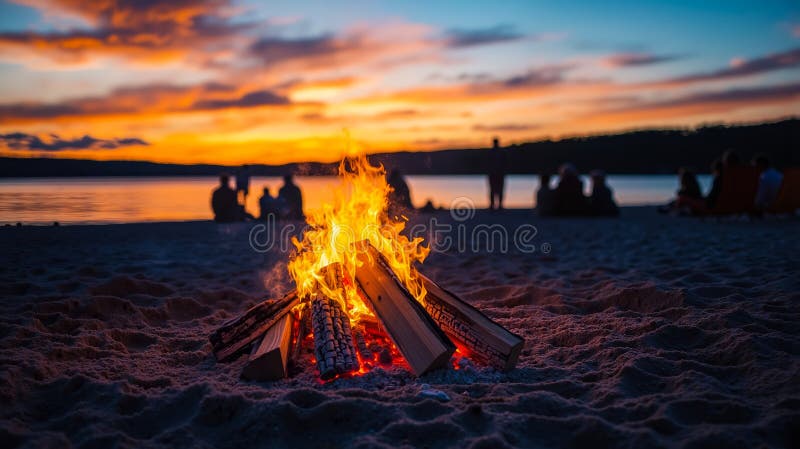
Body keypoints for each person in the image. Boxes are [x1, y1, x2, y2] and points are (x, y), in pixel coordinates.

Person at [487, 137, 507, 211]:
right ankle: (493, 205)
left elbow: (504, 162)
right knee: (493, 190)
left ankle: (499, 205)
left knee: (499, 190)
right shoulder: (493, 152)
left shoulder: (500, 152)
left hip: (498, 173)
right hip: (494, 173)